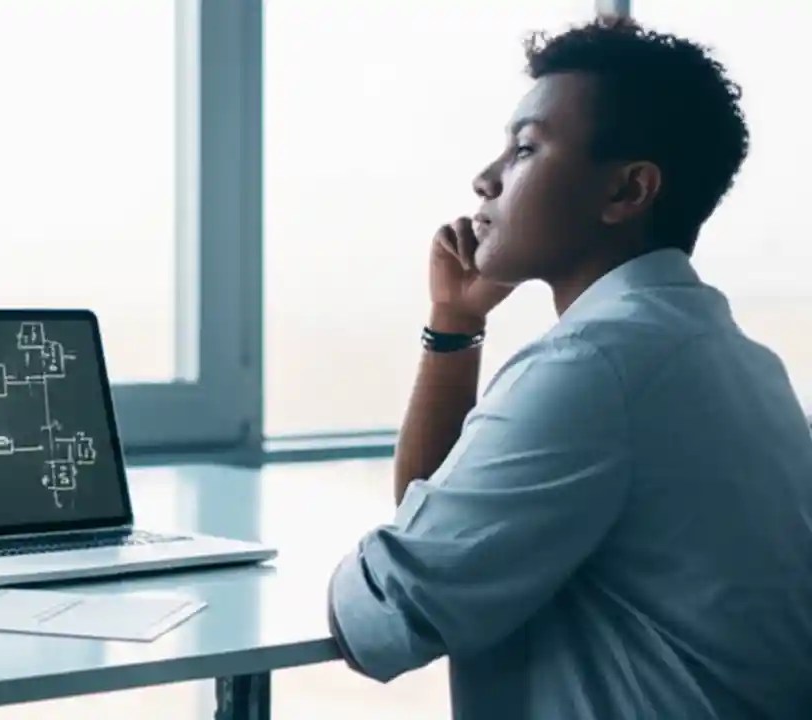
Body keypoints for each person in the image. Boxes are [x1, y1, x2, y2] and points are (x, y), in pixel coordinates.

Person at [326, 17, 812, 720]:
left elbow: (389, 612)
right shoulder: (734, 358)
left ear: (627, 192)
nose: (485, 179)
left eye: (525, 148)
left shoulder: (593, 366)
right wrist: (455, 324)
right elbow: (432, 527)